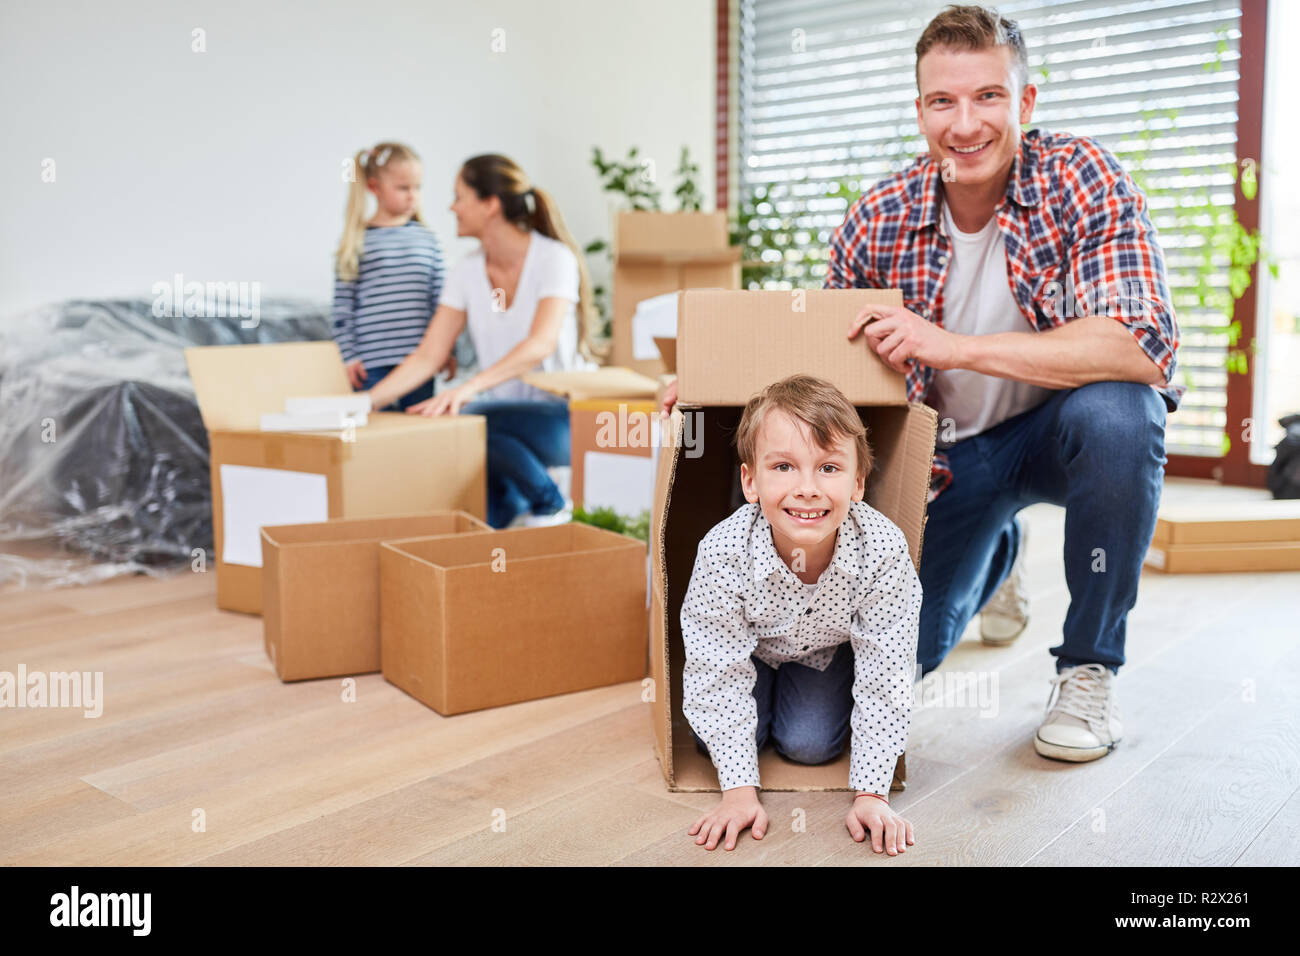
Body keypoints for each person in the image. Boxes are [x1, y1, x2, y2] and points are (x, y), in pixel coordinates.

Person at [664, 4, 1180, 766]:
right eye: (943, 100)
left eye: (988, 97)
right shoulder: (878, 217)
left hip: (1056, 432)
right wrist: (712, 383)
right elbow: (822, 380)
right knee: (880, 678)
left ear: (1026, 103)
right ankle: (998, 554)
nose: (964, 123)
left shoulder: (1083, 178)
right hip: (946, 466)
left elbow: (1143, 345)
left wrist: (954, 347)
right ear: (920, 110)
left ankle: (1087, 667)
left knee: (1121, 414)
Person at [681, 375, 922, 854]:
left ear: (858, 482)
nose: (807, 489)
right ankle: (757, 707)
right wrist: (739, 792)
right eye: (784, 466)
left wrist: (872, 794)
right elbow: (715, 665)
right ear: (750, 481)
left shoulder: (882, 549)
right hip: (748, 652)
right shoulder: (724, 552)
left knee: (809, 746)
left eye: (829, 467)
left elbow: (886, 669)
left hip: (822, 654)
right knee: (717, 742)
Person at [365, 154, 603, 529]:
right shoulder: (466, 271)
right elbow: (429, 355)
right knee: (481, 518)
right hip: (502, 433)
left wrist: (469, 389)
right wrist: (363, 403)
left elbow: (540, 343)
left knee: (466, 417)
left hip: (563, 422)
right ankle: (514, 517)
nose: (451, 207)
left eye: (459, 196)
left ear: (490, 204)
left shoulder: (554, 260)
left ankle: (551, 504)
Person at [332, 141, 460, 412]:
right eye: (403, 188)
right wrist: (349, 356)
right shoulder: (357, 241)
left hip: (420, 360)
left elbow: (444, 304)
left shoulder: (429, 240)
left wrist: (449, 350)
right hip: (371, 363)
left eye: (417, 188)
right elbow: (343, 308)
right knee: (374, 430)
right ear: (374, 187)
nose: (412, 196)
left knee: (419, 427)